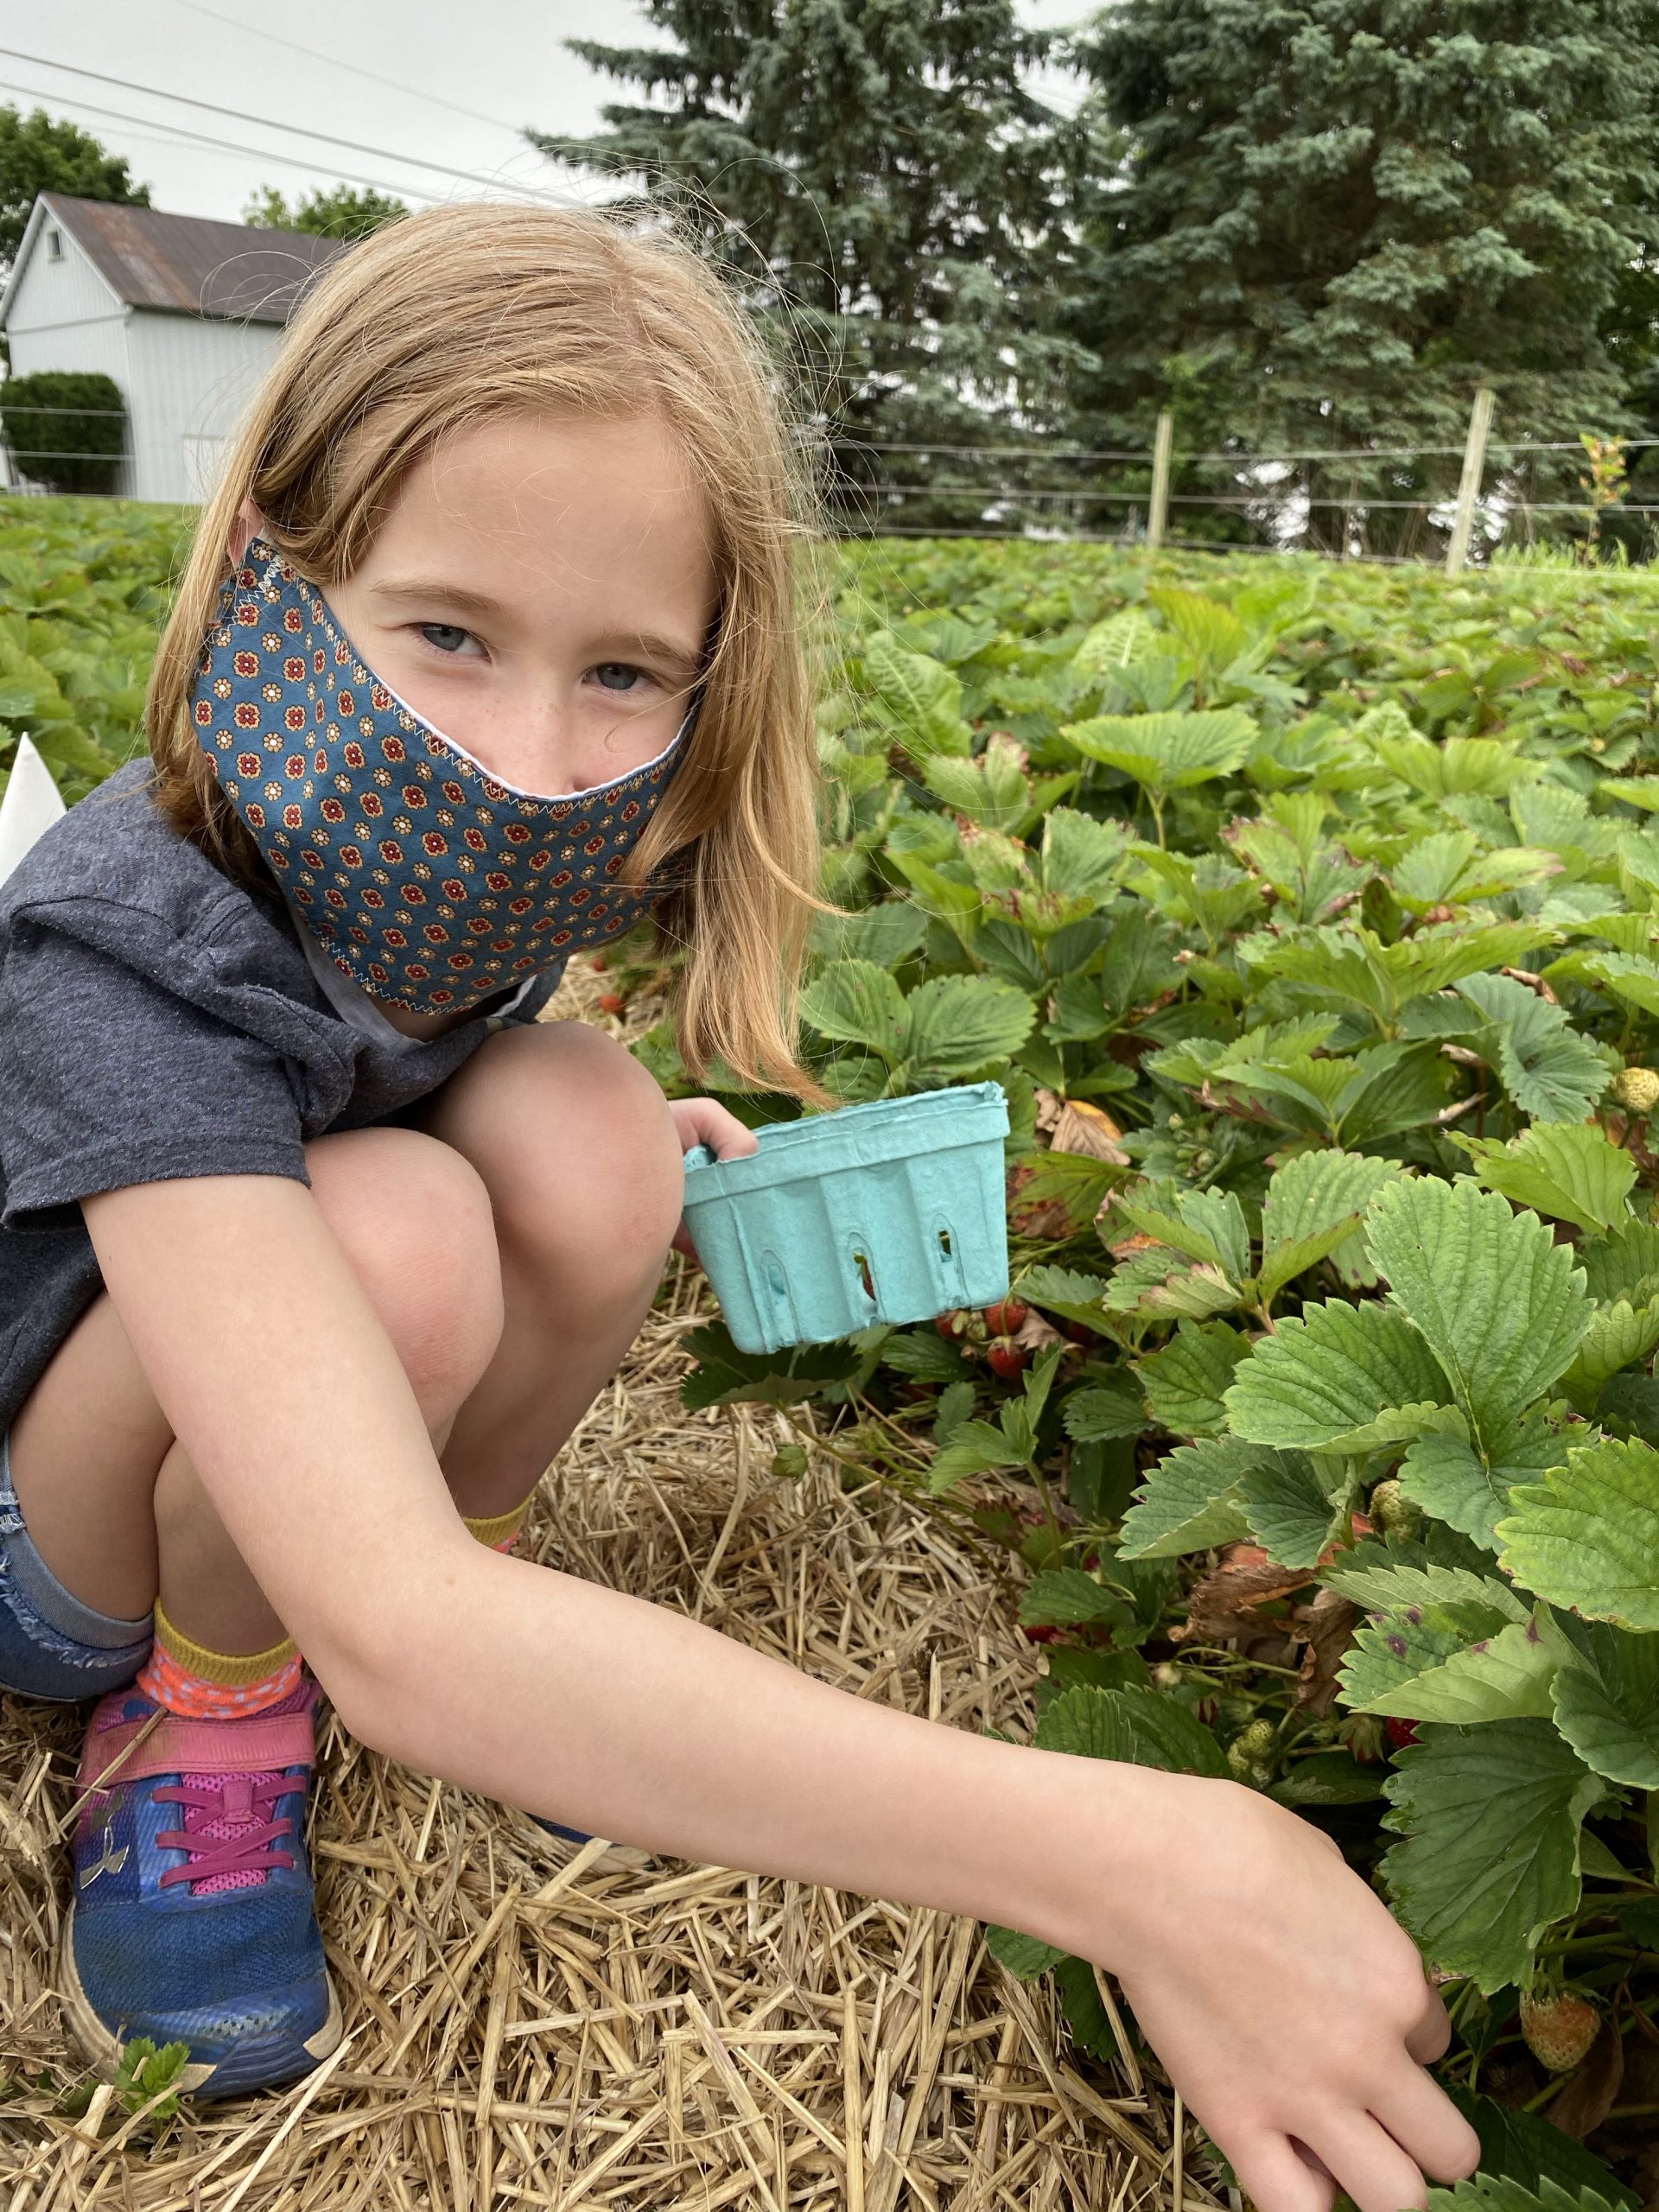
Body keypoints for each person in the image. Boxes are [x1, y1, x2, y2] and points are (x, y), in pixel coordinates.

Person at [0, 200, 1480, 2209]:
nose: (530, 762)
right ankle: (205, 1717)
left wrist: (610, 1133)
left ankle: (477, 1594)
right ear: (276, 565)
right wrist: (1143, 1850)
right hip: (37, 1524)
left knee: (593, 1123)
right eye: (449, 632)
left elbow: (424, 1065)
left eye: (624, 672)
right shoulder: (119, 952)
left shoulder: (447, 847)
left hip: (257, 1355)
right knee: (410, 1241)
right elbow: (410, 1604)